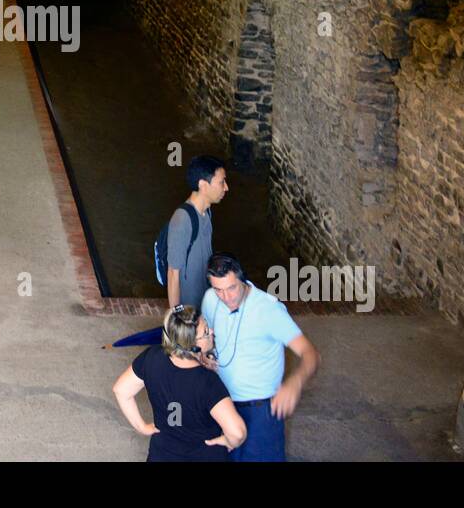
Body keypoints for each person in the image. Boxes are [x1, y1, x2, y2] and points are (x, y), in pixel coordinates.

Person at [200, 251, 319, 462]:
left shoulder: (269, 310)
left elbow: (310, 354)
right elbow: (206, 337)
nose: (227, 297)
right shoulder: (210, 299)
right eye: (219, 289)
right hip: (221, 403)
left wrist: (295, 382)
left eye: (232, 288)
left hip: (261, 411)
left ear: (242, 279)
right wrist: (205, 354)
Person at [112, 305, 246, 462]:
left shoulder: (152, 357)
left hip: (162, 454)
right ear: (192, 345)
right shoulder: (207, 383)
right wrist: (227, 441)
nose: (212, 332)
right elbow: (237, 433)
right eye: (205, 332)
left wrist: (141, 427)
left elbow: (121, 390)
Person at [165, 155, 228, 311]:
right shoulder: (181, 220)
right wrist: (177, 316)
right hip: (189, 309)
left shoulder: (207, 212)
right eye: (221, 182)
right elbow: (173, 273)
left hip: (205, 301)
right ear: (203, 185)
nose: (226, 187)